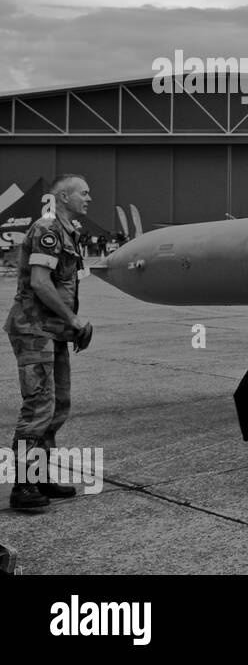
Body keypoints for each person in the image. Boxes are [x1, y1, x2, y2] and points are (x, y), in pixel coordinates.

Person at [4, 174, 93, 511]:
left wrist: (70, 328)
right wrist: (73, 320)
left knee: (58, 406)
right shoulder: (47, 230)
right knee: (38, 406)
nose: (88, 198)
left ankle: (40, 477)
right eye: (83, 193)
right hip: (33, 330)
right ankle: (23, 487)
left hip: (53, 332)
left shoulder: (70, 232)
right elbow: (41, 284)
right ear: (64, 197)